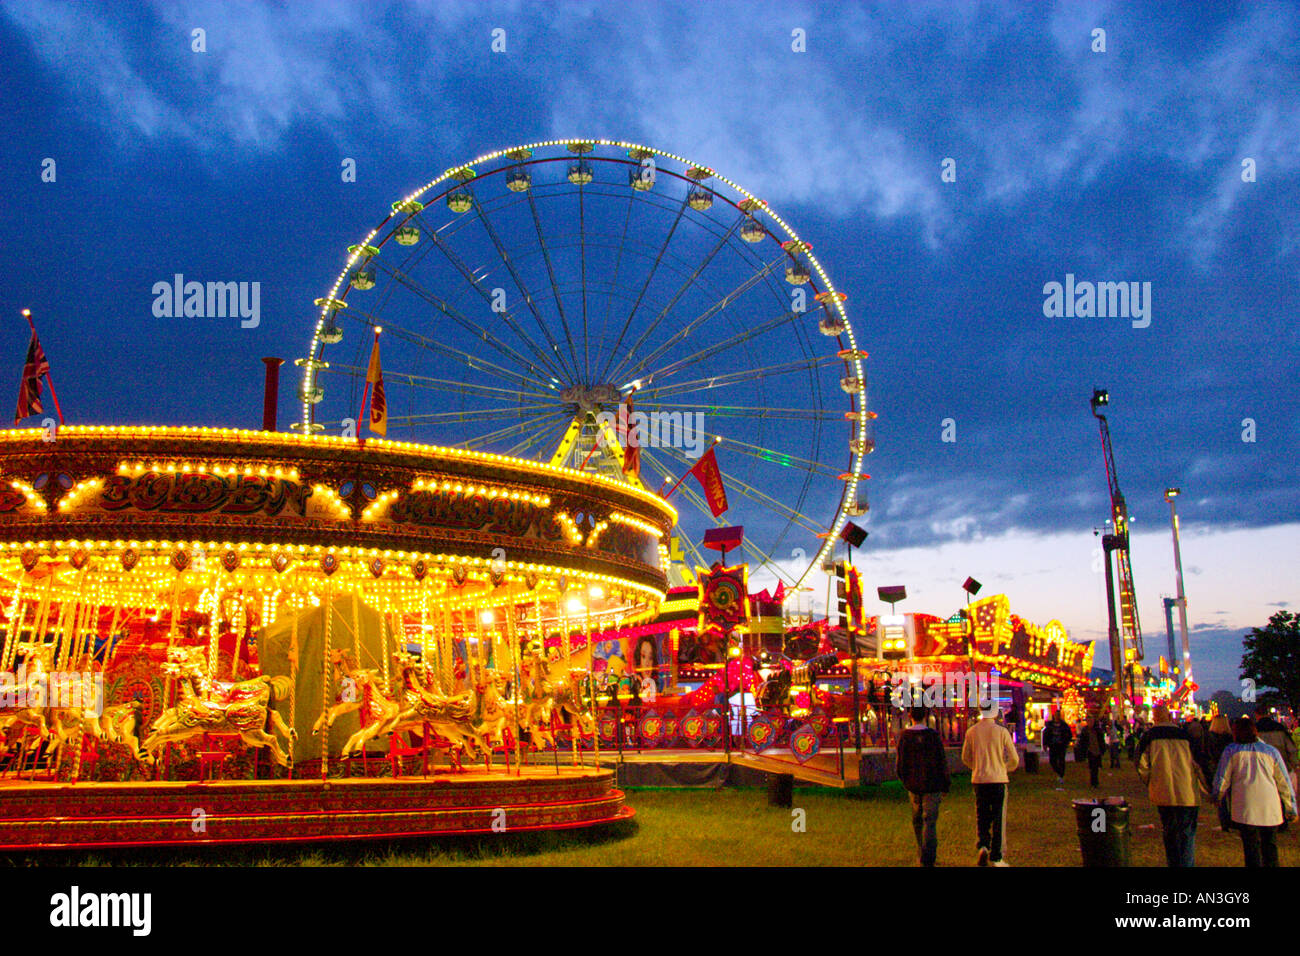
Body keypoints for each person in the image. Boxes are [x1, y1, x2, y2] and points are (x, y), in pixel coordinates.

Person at [1213, 717, 1297, 867]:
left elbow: (1222, 778)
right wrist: (1291, 808)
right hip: (1270, 807)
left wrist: (1217, 796)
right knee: (1270, 847)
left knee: (1251, 849)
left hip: (1245, 807)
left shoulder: (1231, 751)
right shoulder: (1271, 752)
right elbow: (1283, 782)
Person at [1137, 705, 1207, 866]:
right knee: (1187, 834)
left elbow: (1142, 765)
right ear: (1169, 716)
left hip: (1163, 792)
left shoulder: (1149, 737)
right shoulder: (1185, 736)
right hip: (1187, 791)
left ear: (1154, 717)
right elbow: (1199, 764)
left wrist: (1151, 782)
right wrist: (1208, 788)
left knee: (1169, 831)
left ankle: (1174, 863)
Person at [961, 701, 1019, 866]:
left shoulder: (971, 732)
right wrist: (1005, 768)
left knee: (982, 813)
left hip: (979, 779)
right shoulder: (1001, 732)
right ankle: (996, 854)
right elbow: (1014, 758)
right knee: (998, 816)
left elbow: (965, 757)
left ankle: (983, 845)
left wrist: (976, 767)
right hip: (998, 778)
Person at [895, 705, 951, 867]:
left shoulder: (905, 737)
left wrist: (905, 780)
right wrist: (945, 784)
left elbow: (900, 763)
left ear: (910, 716)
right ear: (926, 716)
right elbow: (941, 761)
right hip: (932, 785)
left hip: (914, 785)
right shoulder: (933, 736)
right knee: (930, 820)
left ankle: (922, 852)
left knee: (917, 819)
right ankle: (928, 857)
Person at [1253, 705, 1297, 774]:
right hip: (1283, 767)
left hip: (1263, 770)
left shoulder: (1254, 730)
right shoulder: (1280, 728)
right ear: (1268, 714)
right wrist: (1295, 765)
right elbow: (1291, 750)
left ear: (1256, 715)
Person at [1043, 710, 1073, 788]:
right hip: (1053, 745)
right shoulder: (1050, 725)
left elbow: (1069, 734)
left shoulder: (1064, 725)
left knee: (1061, 760)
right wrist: (1045, 744)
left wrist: (1066, 742)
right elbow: (1046, 734)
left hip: (1061, 745)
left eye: (1058, 715)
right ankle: (1058, 771)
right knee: (1052, 760)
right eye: (1056, 715)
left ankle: (1061, 775)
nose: (1057, 717)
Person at [1081, 715, 1105, 787]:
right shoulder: (1085, 730)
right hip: (1090, 750)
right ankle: (1093, 781)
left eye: (1091, 721)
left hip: (1097, 750)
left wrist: (1102, 749)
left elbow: (1101, 740)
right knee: (1092, 767)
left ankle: (1095, 781)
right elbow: (1082, 741)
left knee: (1096, 767)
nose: (1090, 723)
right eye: (1088, 721)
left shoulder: (1097, 730)